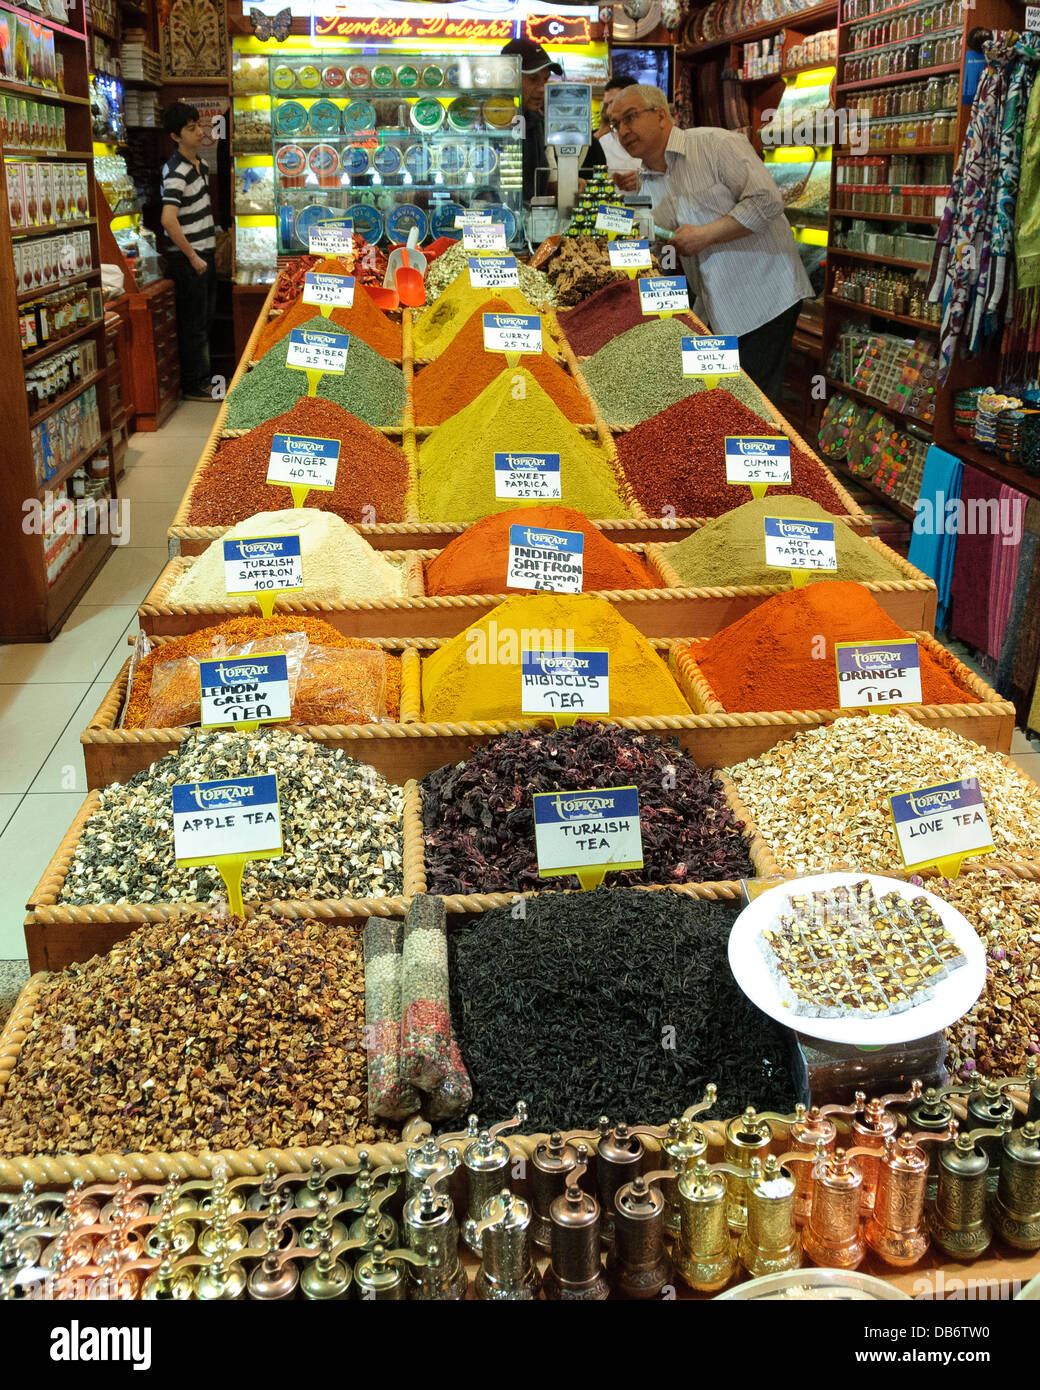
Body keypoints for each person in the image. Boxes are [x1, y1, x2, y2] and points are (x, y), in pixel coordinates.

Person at [611, 84, 812, 402]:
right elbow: (658, 241)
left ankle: (762, 450)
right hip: (715, 305)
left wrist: (705, 235)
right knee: (722, 402)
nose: (623, 131)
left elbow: (767, 200)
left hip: (763, 295)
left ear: (661, 116)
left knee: (754, 403)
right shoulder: (645, 180)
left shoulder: (715, 144)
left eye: (630, 117)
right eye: (615, 124)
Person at [501, 37, 607, 202]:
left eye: (545, 80)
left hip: (530, 221)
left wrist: (569, 187)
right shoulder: (485, 121)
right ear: (507, 77)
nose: (541, 89)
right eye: (533, 79)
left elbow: (547, 183)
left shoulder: (537, 123)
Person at [160, 102, 217, 403]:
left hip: (203, 254)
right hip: (189, 258)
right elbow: (168, 219)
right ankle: (196, 383)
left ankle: (204, 378)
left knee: (205, 318)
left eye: (198, 125)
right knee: (194, 323)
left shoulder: (201, 166)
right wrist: (194, 257)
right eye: (190, 128)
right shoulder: (175, 171)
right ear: (175, 135)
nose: (199, 132)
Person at [595, 75, 643, 192]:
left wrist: (643, 183)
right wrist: (611, 181)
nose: (608, 111)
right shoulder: (603, 142)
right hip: (614, 209)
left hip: (650, 208)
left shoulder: (653, 137)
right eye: (606, 105)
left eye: (613, 103)